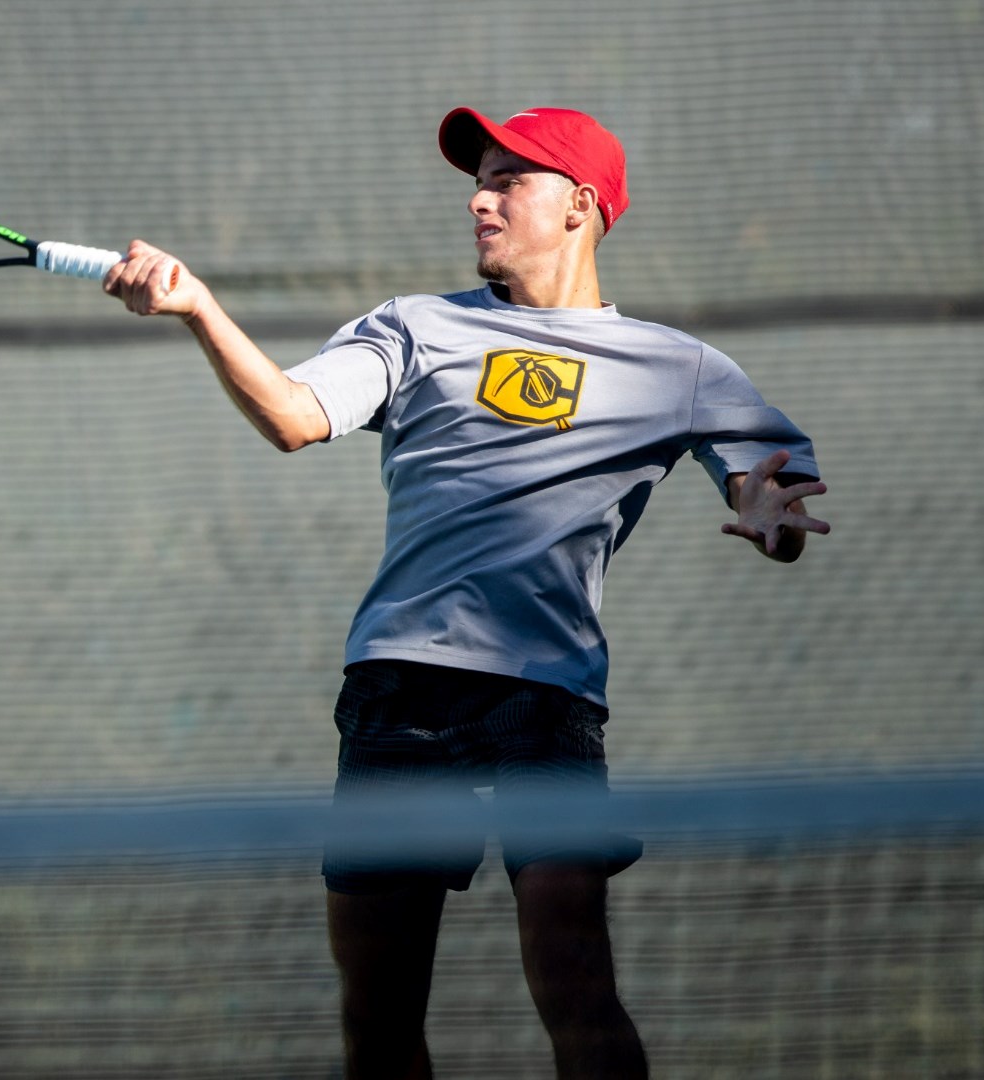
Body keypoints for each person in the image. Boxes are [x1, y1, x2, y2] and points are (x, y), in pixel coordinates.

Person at [103, 106, 829, 1080]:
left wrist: (768, 512)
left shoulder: (683, 370)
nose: (479, 201)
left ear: (579, 205)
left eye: (506, 181)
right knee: (377, 1017)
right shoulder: (411, 327)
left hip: (546, 700)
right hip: (399, 696)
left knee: (576, 986)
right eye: (476, 182)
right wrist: (198, 305)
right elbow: (292, 414)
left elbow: (770, 489)